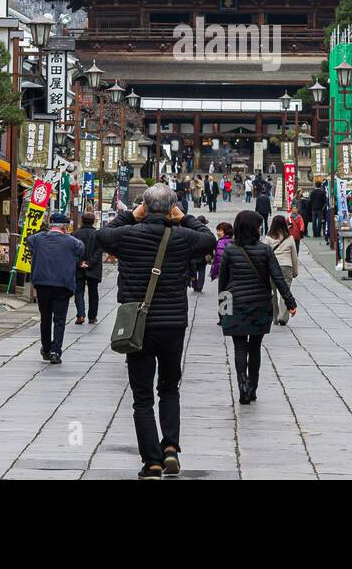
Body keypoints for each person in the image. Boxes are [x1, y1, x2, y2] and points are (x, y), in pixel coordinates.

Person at [98, 183, 216, 480]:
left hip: (137, 325)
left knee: (142, 396)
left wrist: (131, 215)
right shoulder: (182, 237)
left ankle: (151, 462)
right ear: (172, 208)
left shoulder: (127, 235)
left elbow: (103, 236)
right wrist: (182, 216)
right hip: (173, 323)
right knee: (169, 388)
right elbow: (209, 239)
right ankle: (171, 448)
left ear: (145, 207)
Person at [218, 210, 297, 405]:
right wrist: (290, 302)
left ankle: (242, 384)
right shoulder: (264, 250)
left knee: (239, 346)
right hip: (260, 304)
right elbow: (278, 277)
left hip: (235, 304)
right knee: (254, 347)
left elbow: (223, 282)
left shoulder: (229, 250)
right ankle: (252, 387)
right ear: (254, 228)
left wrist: (222, 309)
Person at [28, 214, 84, 364]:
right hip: (63, 284)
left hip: (43, 283)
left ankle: (46, 348)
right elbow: (80, 250)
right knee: (60, 319)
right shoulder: (73, 242)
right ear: (65, 227)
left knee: (45, 317)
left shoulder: (37, 239)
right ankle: (55, 352)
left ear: (50, 224)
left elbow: (29, 241)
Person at [266, 214, 300, 326]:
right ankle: (283, 317)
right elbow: (294, 256)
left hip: (272, 267)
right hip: (286, 266)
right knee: (285, 291)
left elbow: (265, 255)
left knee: (272, 293)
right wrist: (295, 271)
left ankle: (275, 317)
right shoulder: (290, 238)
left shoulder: (269, 238)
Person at [73, 212, 102, 325]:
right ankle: (92, 316)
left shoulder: (75, 234)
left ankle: (80, 315)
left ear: (82, 220)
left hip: (79, 267)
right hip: (93, 268)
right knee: (93, 292)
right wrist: (90, 263)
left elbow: (73, 251)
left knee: (78, 292)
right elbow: (99, 251)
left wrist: (80, 263)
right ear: (93, 221)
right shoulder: (97, 234)